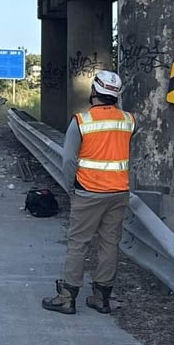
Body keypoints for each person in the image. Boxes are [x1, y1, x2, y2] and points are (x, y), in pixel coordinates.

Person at [42, 70, 135, 315]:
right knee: (109, 244)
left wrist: (71, 187)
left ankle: (67, 297)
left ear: (94, 91)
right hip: (119, 192)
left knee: (78, 244)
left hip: (89, 192)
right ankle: (102, 298)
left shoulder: (82, 121)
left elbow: (69, 160)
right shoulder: (128, 120)